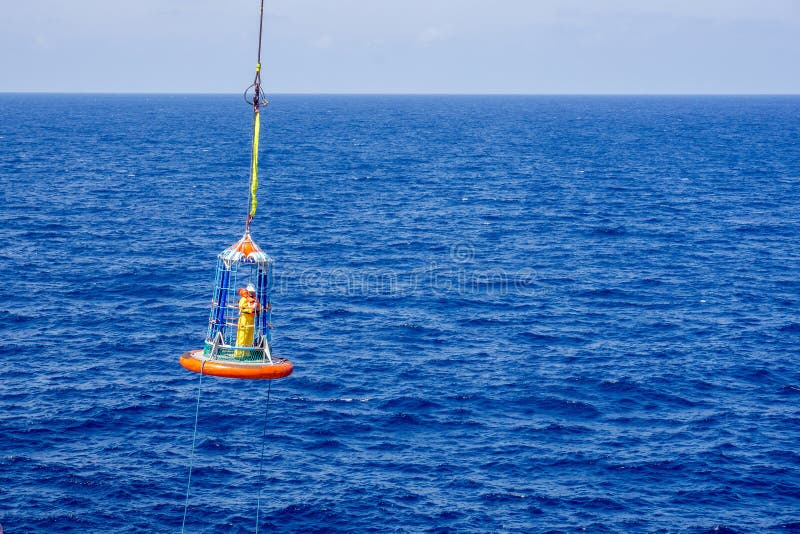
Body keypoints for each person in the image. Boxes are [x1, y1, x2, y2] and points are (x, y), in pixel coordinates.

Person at [235, 283, 259, 357]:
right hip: (244, 319)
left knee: (249, 337)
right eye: (251, 292)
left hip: (251, 320)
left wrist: (257, 307)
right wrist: (252, 308)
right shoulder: (243, 299)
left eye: (253, 292)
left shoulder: (253, 299)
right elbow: (243, 308)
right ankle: (238, 355)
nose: (252, 293)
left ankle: (246, 354)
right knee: (242, 337)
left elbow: (256, 308)